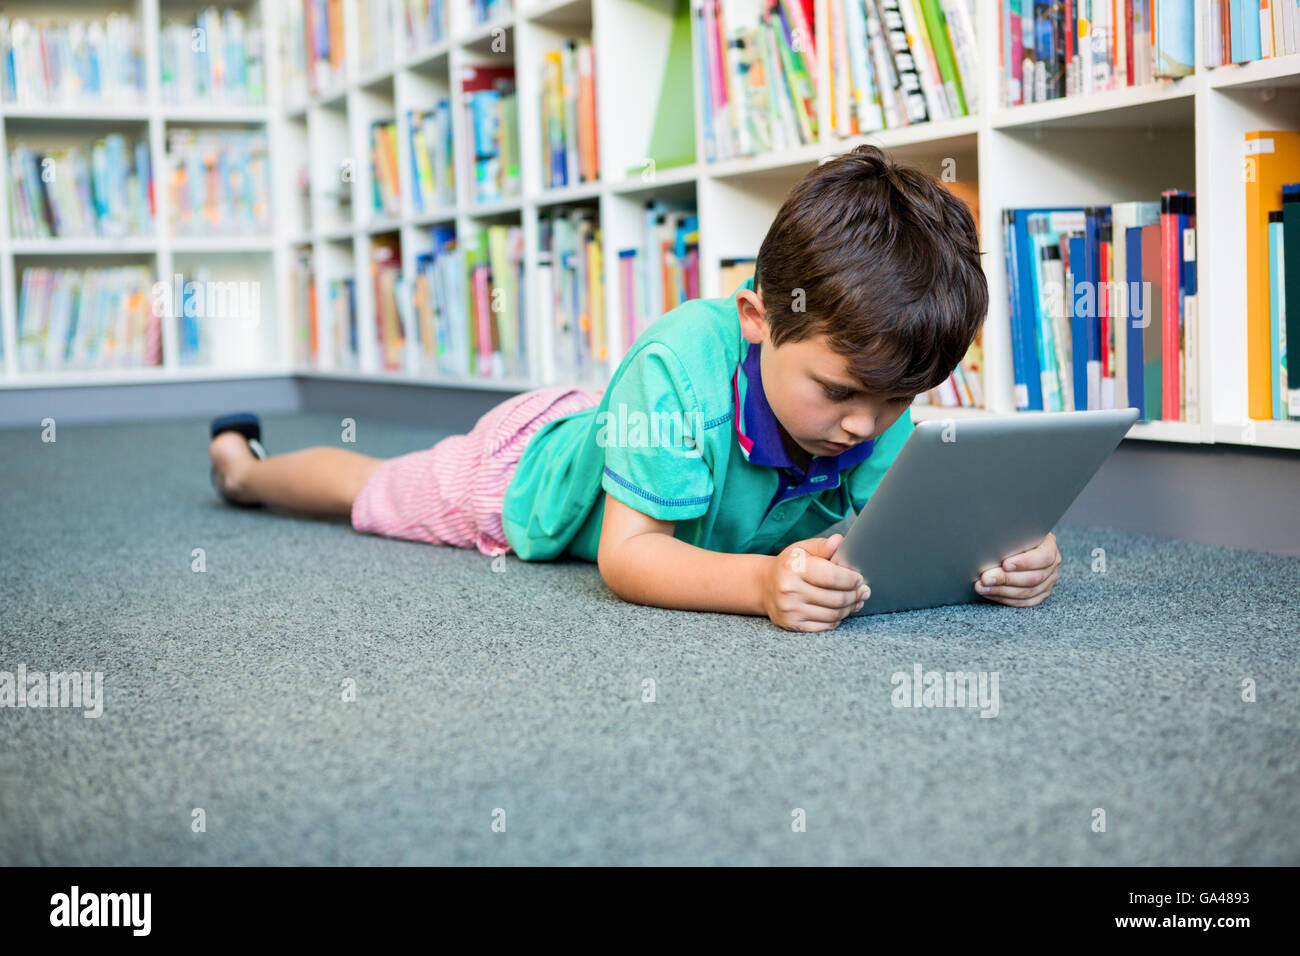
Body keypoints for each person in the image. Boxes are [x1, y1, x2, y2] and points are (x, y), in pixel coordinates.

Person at [209, 144, 1061, 632]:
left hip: (626, 425)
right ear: (759, 320)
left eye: (896, 402)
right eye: (841, 394)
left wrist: (1002, 550)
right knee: (377, 488)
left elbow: (902, 523)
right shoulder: (676, 366)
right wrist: (763, 586)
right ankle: (245, 469)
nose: (865, 426)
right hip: (527, 471)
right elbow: (627, 556)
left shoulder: (867, 406)